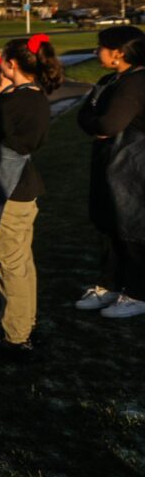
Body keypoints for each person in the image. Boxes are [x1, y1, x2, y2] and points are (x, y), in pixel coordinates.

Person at [0, 35, 63, 355]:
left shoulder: (14, 101)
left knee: (11, 265)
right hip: (23, 188)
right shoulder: (34, 96)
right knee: (21, 263)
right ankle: (23, 322)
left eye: (3, 57)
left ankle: (16, 337)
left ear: (12, 64)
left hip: (9, 189)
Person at [75, 25, 145, 318]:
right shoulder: (111, 79)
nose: (96, 51)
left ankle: (139, 293)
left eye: (100, 46)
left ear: (118, 53)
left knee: (131, 226)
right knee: (108, 224)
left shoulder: (137, 82)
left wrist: (97, 122)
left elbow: (108, 124)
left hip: (133, 164)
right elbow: (85, 115)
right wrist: (96, 122)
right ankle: (111, 285)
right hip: (110, 162)